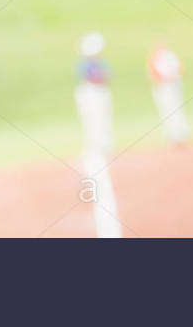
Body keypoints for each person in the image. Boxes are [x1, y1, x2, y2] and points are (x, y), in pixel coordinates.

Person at [73, 32, 122, 237]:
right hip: (90, 94)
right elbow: (96, 78)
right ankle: (95, 145)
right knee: (93, 121)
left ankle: (103, 144)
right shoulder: (87, 64)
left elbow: (106, 77)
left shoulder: (98, 63)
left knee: (104, 121)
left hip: (99, 93)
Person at [147, 38, 191, 145]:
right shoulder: (160, 58)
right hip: (166, 86)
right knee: (169, 110)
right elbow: (154, 74)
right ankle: (175, 135)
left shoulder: (169, 57)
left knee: (174, 109)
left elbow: (180, 69)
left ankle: (179, 134)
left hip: (171, 86)